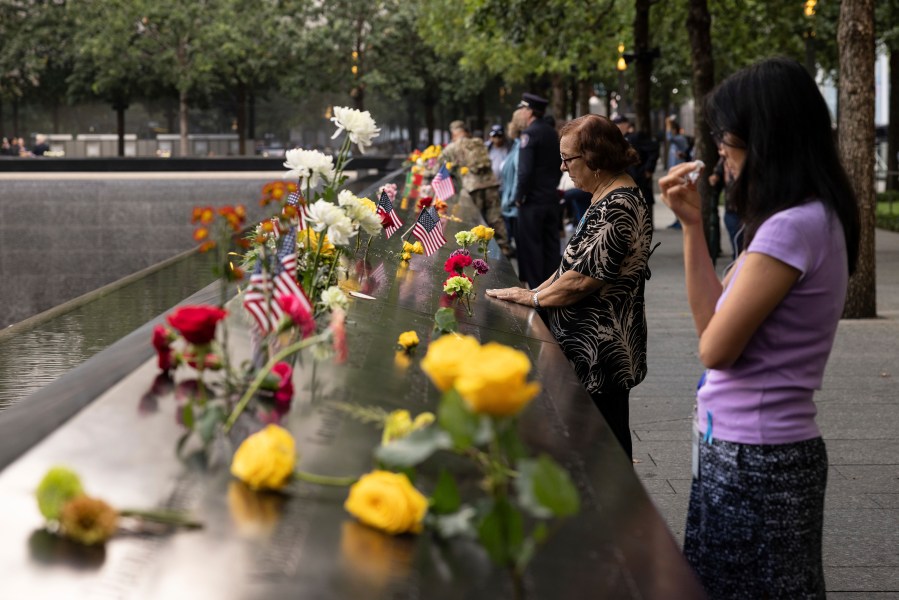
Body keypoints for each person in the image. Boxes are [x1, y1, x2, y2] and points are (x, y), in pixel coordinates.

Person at [658, 57, 860, 599]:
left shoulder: (791, 228)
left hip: (757, 458)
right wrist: (692, 225)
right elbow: (714, 325)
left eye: (728, 142)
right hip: (746, 447)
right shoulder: (802, 219)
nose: (721, 155)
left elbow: (715, 349)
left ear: (767, 137)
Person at [487, 114, 654, 460]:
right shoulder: (605, 195)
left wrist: (531, 297)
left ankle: (621, 513)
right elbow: (570, 267)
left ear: (595, 158)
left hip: (600, 352)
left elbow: (581, 281)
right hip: (590, 348)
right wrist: (530, 293)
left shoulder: (618, 204)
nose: (563, 167)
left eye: (568, 158)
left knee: (605, 449)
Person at [512, 92, 563, 288]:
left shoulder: (529, 134)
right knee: (551, 248)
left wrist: (518, 197)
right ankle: (553, 288)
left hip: (531, 202)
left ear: (530, 111)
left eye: (523, 109)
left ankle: (535, 292)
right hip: (550, 198)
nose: (521, 113)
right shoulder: (551, 133)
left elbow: (524, 172)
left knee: (531, 249)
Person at [441, 120, 513, 257]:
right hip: (491, 184)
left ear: (454, 133)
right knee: (495, 217)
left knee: (472, 219)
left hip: (472, 187)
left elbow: (440, 163)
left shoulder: (453, 147)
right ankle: (504, 248)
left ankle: (473, 252)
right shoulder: (478, 142)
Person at [614, 115, 660, 229]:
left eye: (619, 124)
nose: (618, 127)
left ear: (626, 125)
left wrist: (649, 169)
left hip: (638, 178)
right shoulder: (616, 141)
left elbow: (653, 149)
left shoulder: (635, 137)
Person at [500, 117, 524, 261]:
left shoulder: (520, 146)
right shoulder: (515, 145)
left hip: (513, 204)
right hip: (509, 202)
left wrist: (514, 198)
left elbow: (518, 175)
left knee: (519, 243)